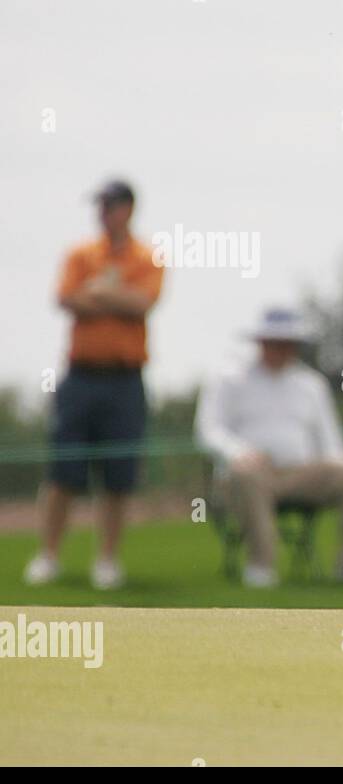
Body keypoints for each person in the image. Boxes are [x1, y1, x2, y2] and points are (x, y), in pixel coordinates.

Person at [24, 179, 165, 590]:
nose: (102, 213)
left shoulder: (147, 256)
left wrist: (100, 292)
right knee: (63, 470)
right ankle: (48, 555)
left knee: (118, 475)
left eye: (109, 206)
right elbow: (67, 299)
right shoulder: (80, 254)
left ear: (128, 208)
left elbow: (143, 304)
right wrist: (115, 296)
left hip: (125, 380)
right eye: (99, 206)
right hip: (80, 378)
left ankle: (107, 560)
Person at [194, 308, 343, 589]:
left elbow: (331, 444)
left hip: (302, 475)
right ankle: (261, 567)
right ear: (261, 342)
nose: (280, 349)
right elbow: (208, 431)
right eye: (274, 342)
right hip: (248, 475)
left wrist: (339, 465)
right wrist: (238, 453)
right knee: (246, 473)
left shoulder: (312, 384)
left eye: (287, 343)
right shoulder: (229, 379)